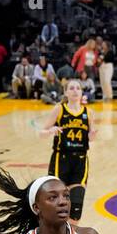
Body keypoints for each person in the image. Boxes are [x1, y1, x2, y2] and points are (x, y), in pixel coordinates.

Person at [41, 79, 92, 224]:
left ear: (82, 92)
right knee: (56, 206)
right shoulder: (59, 109)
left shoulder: (88, 113)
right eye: (72, 88)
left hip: (81, 161)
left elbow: (89, 136)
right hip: (61, 160)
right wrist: (50, 130)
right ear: (66, 92)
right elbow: (41, 132)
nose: (75, 90)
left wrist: (92, 135)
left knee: (76, 208)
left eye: (78, 88)